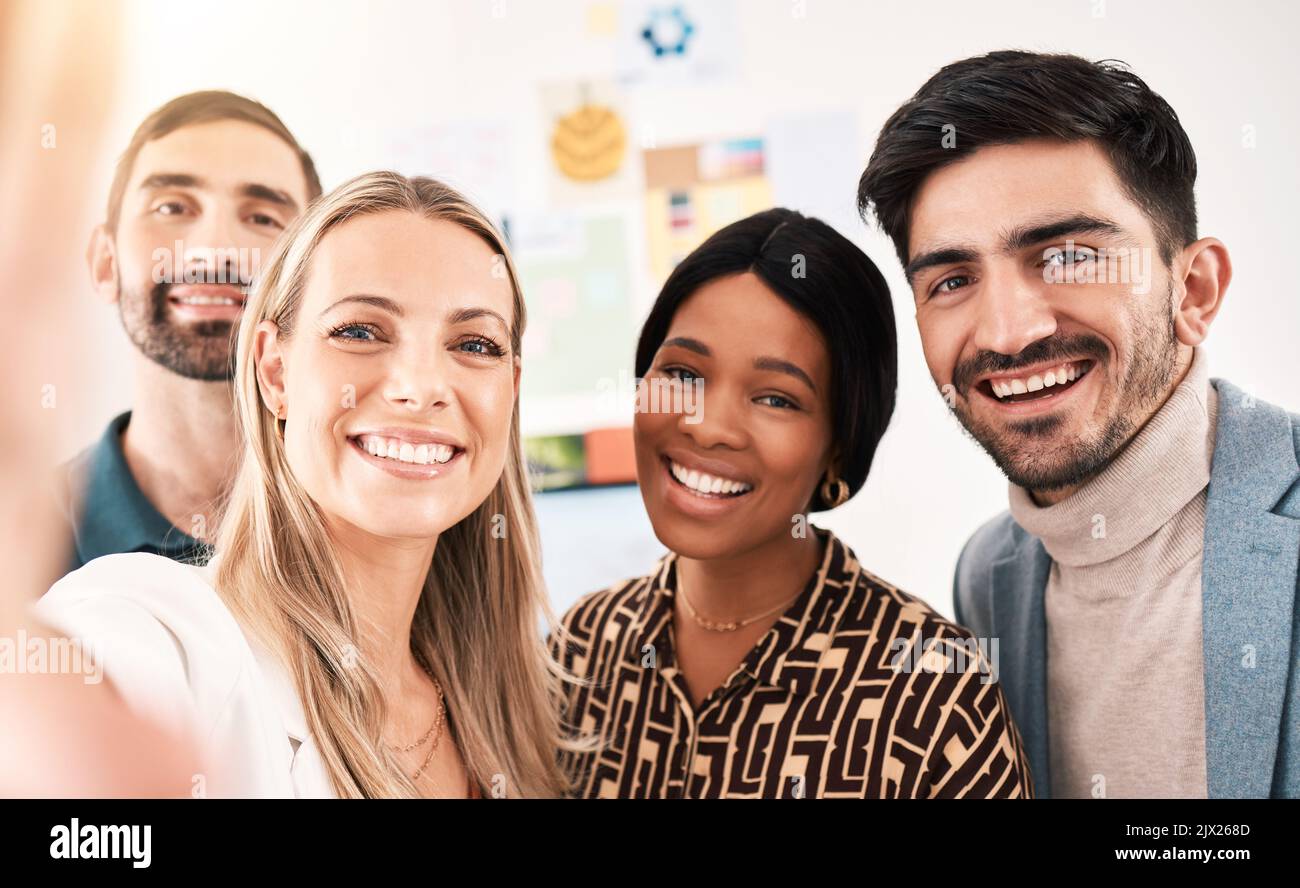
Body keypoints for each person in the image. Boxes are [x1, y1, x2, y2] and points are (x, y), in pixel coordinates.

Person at [36, 172, 573, 797]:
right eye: (360, 332)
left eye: (474, 343)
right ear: (274, 370)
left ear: (510, 388)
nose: (420, 386)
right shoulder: (165, 629)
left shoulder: (520, 706)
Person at [858, 50, 1299, 798]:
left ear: (1193, 289)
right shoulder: (989, 577)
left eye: (1066, 256)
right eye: (954, 280)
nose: (1007, 332)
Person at [553, 208, 1033, 798]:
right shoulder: (580, 645)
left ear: (839, 446)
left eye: (776, 399)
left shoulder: (934, 694)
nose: (708, 428)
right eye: (682, 372)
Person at [59, 91, 321, 572]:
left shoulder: (375, 519)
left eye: (263, 218)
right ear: (105, 262)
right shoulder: (19, 548)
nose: (215, 249)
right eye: (171, 208)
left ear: (316, 273)